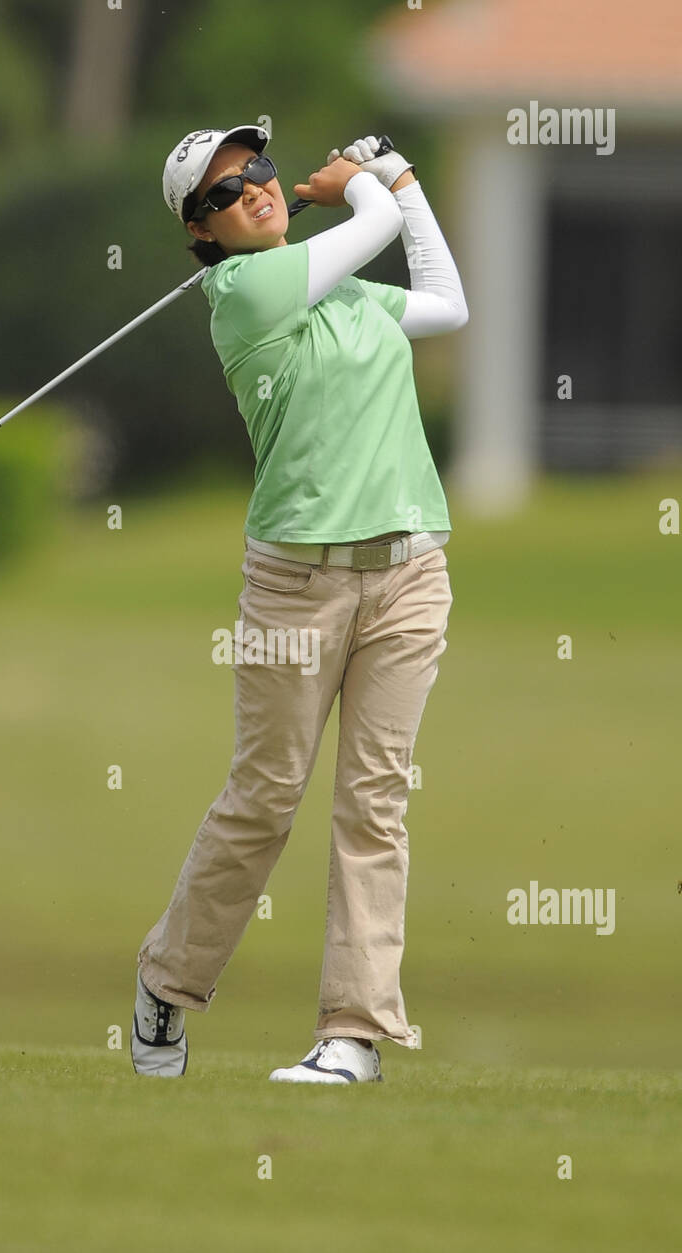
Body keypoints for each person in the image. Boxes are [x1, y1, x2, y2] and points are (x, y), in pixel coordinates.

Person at [131, 123, 468, 1084]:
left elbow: (447, 301)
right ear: (203, 235)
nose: (258, 193)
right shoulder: (240, 294)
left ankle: (352, 1035)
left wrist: (401, 177)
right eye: (227, 195)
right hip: (295, 589)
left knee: (374, 803)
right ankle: (167, 983)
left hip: (409, 573)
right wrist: (358, 182)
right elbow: (365, 227)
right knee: (265, 797)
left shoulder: (348, 295)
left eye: (263, 173)